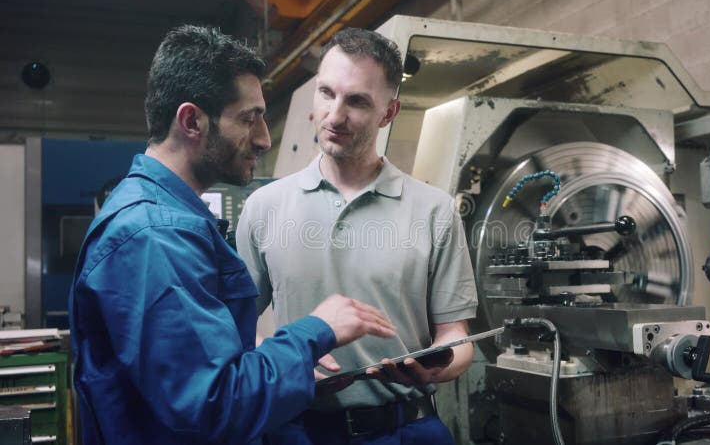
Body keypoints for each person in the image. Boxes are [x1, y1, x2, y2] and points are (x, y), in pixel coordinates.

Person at [69, 25, 396, 445]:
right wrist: (316, 329)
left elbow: (206, 371)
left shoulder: (166, 218)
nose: (263, 138)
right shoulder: (156, 237)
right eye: (249, 119)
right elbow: (215, 404)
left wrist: (290, 371)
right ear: (191, 120)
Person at [236, 28, 478, 444]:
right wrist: (283, 361)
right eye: (326, 93)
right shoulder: (264, 206)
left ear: (389, 112)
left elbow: (456, 336)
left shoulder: (434, 210)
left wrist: (437, 365)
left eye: (357, 101)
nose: (334, 115)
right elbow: (236, 329)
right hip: (298, 429)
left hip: (406, 428)